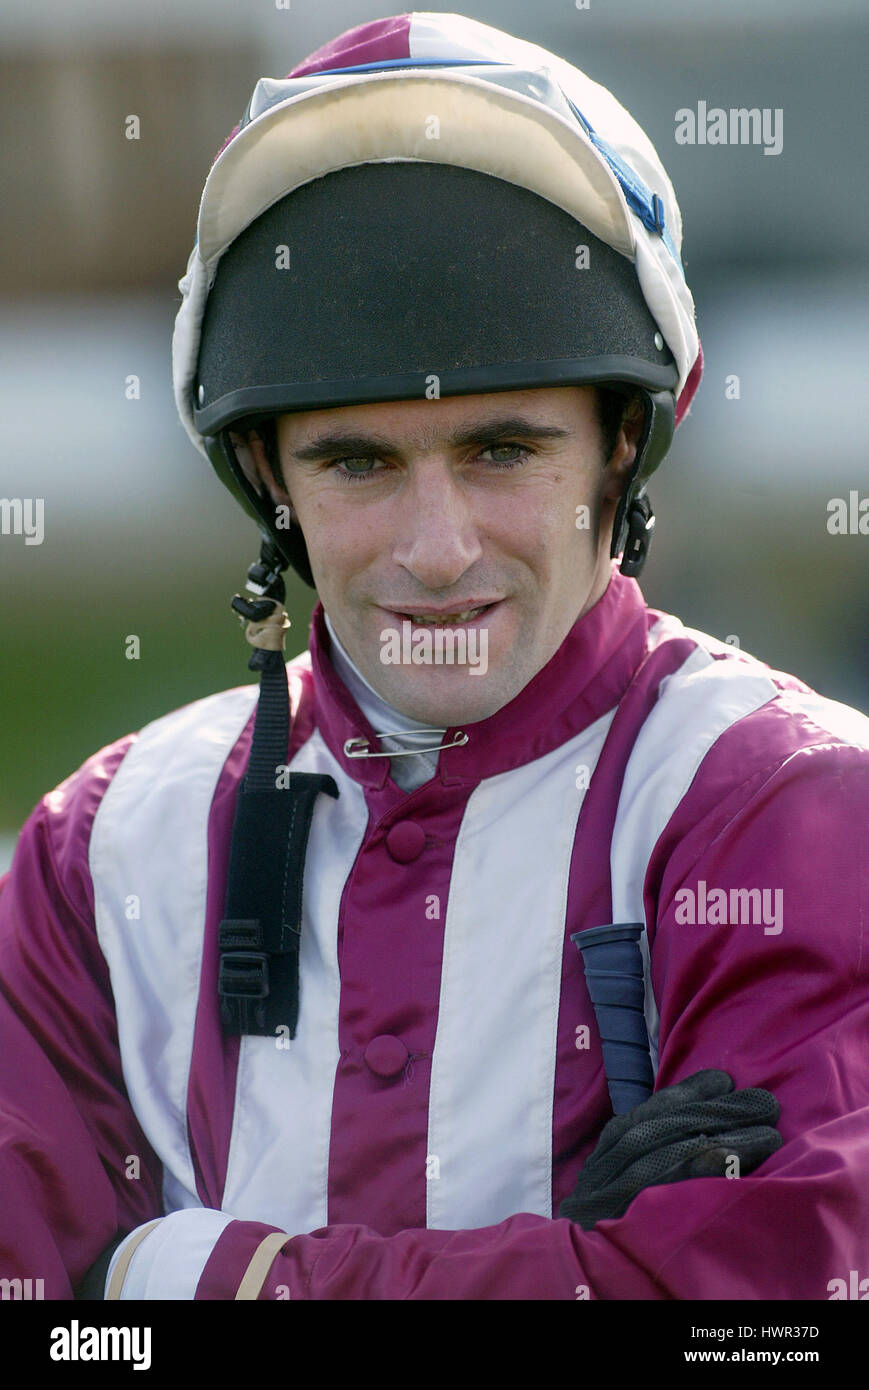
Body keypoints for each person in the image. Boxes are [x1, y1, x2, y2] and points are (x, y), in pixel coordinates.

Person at [1, 12, 867, 1302]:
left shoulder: (800, 807)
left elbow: (772, 1316)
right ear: (266, 477)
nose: (439, 550)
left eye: (503, 451)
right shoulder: (99, 846)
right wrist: (564, 1268)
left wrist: (207, 1279)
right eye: (357, 462)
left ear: (625, 445)